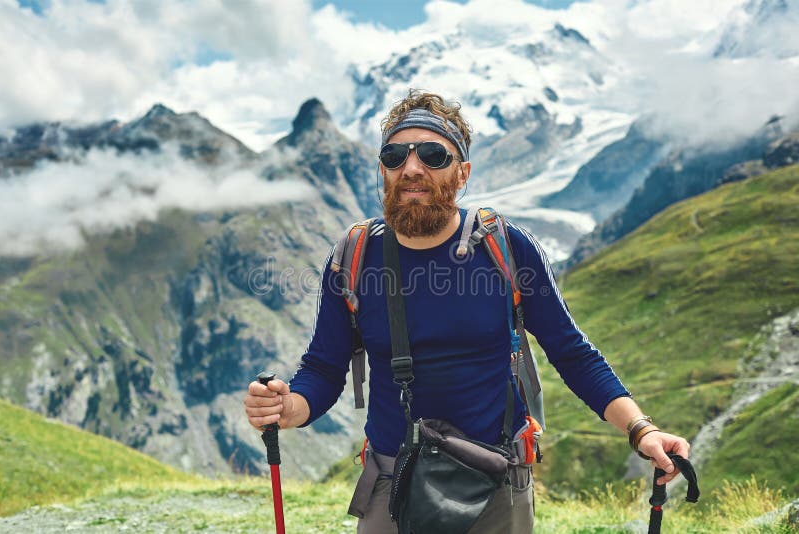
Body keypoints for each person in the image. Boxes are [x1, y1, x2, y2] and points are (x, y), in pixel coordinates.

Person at [244, 90, 690, 533]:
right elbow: (324, 367)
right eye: (395, 156)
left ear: (462, 173)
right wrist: (288, 407)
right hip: (392, 481)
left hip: (496, 481)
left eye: (433, 155)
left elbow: (572, 353)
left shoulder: (508, 249)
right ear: (383, 170)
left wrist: (641, 429)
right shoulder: (355, 256)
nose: (411, 168)